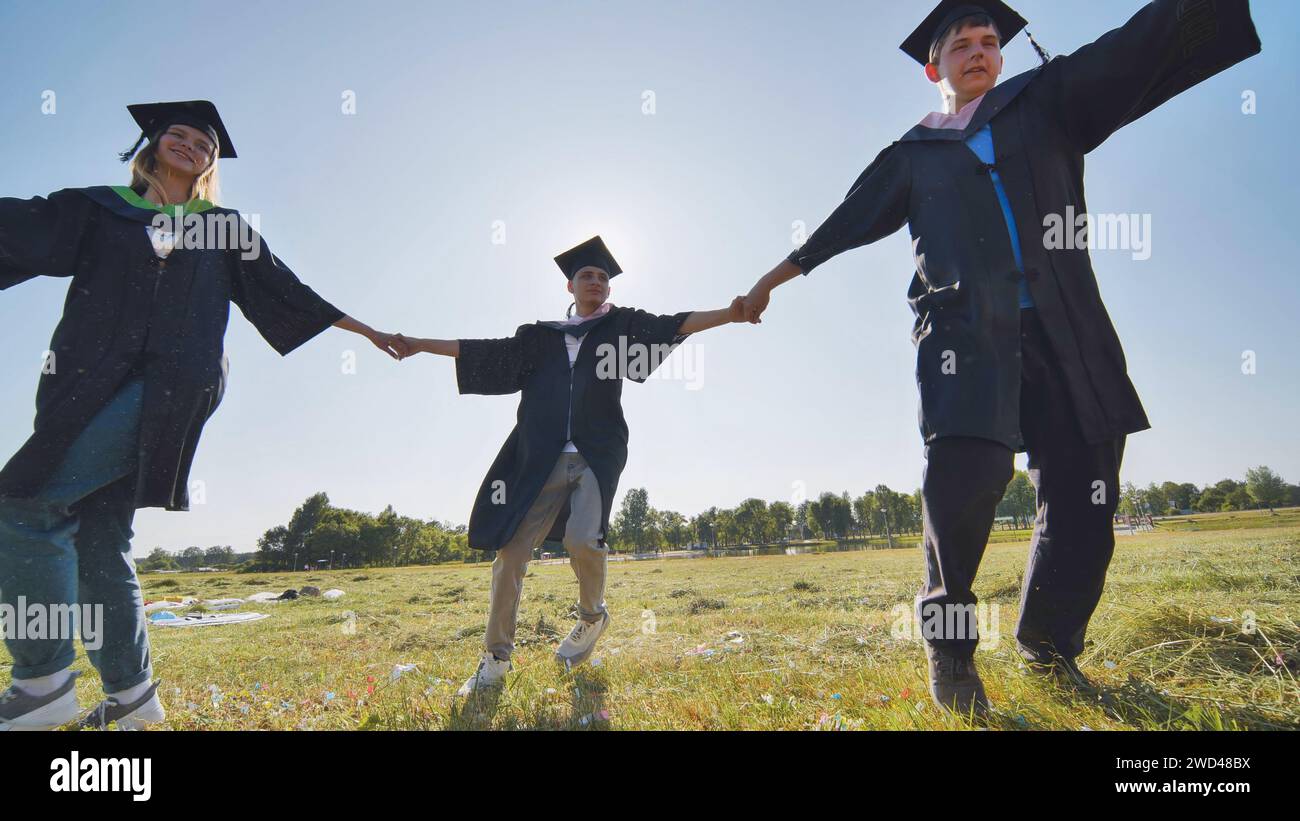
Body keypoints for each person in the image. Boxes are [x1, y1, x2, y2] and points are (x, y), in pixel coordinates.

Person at [741, 0, 1261, 716]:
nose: (981, 51)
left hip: (1066, 328)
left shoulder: (1046, 103)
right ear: (935, 66)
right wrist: (774, 277)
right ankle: (951, 651)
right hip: (963, 338)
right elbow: (846, 218)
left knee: (1084, 494)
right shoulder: (913, 155)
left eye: (990, 41)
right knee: (963, 490)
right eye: (962, 44)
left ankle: (1048, 648)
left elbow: (1133, 48)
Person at [0, 100, 403, 730]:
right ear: (153, 144)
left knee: (26, 503)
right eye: (177, 134)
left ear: (212, 162)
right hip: (81, 385)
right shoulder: (99, 209)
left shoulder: (222, 227)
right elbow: (20, 226)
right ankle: (133, 702)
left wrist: (368, 330)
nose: (190, 145)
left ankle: (42, 682)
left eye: (203, 143)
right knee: (103, 542)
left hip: (170, 387)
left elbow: (287, 290)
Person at [393, 236, 746, 695]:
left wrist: (730, 312)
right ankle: (495, 659)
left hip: (597, 454)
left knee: (583, 538)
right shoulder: (539, 339)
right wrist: (419, 344)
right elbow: (482, 350)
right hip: (539, 457)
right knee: (513, 553)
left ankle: (591, 617)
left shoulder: (621, 330)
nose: (595, 281)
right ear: (570, 286)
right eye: (587, 275)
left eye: (602, 277)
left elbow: (675, 324)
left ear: (608, 289)